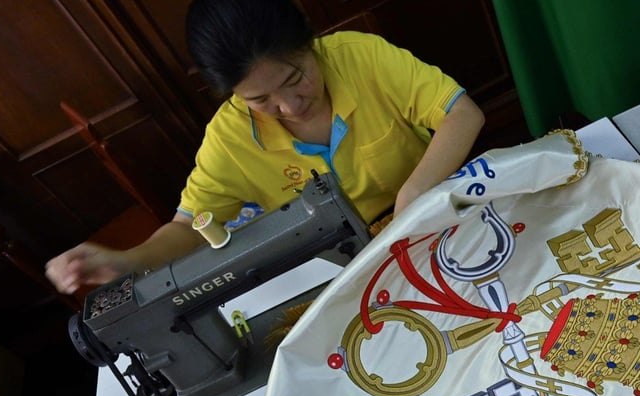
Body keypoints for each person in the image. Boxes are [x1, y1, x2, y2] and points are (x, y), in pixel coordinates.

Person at [45, 0, 484, 295]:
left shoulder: (361, 58)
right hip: (351, 272)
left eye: (296, 78)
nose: (290, 105)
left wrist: (411, 200)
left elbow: (462, 114)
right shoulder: (229, 140)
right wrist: (128, 260)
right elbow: (188, 228)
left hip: (437, 219)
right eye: (260, 100)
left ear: (309, 43)